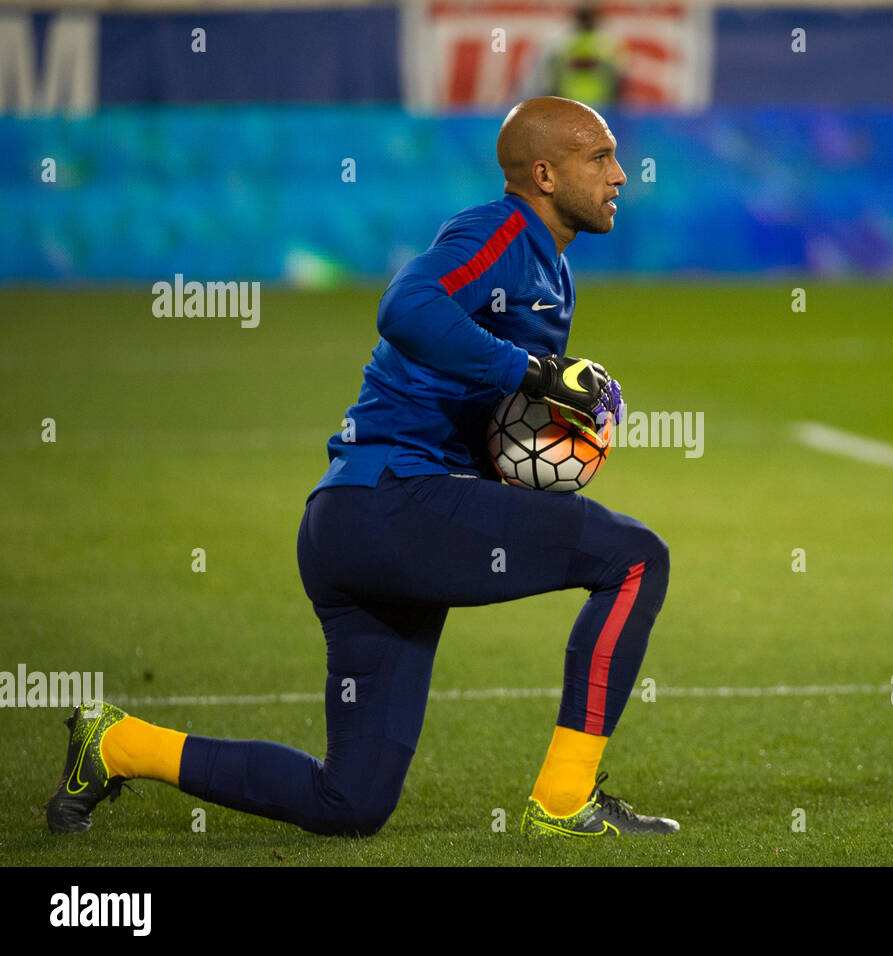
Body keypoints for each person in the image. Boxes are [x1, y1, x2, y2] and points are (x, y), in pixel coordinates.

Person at [44, 96, 678, 839]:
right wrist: (534, 373)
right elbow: (406, 306)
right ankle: (566, 799)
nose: (620, 174)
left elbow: (465, 388)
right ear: (544, 172)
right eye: (600, 156)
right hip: (394, 506)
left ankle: (115, 744)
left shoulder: (550, 267)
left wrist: (535, 429)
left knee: (350, 803)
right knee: (636, 559)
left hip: (352, 525)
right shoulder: (502, 230)